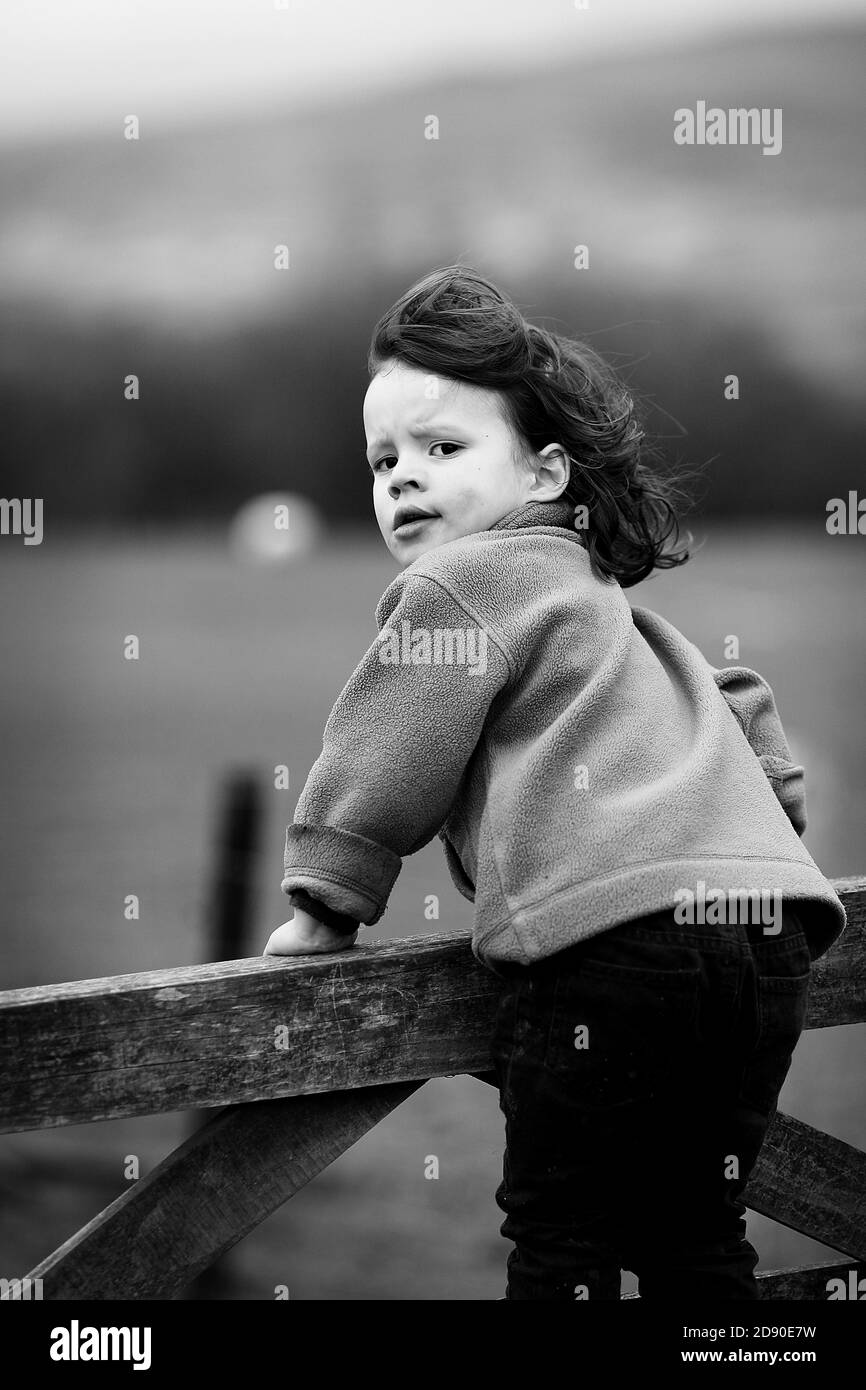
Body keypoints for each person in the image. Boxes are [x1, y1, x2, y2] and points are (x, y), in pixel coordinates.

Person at [262, 265, 847, 1299]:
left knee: (562, 1235)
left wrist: (325, 901)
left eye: (441, 449)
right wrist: (744, 840)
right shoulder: (611, 610)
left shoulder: (457, 582)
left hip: (612, 951)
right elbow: (741, 705)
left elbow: (384, 748)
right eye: (382, 458)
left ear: (542, 472)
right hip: (767, 941)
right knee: (693, 1232)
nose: (403, 476)